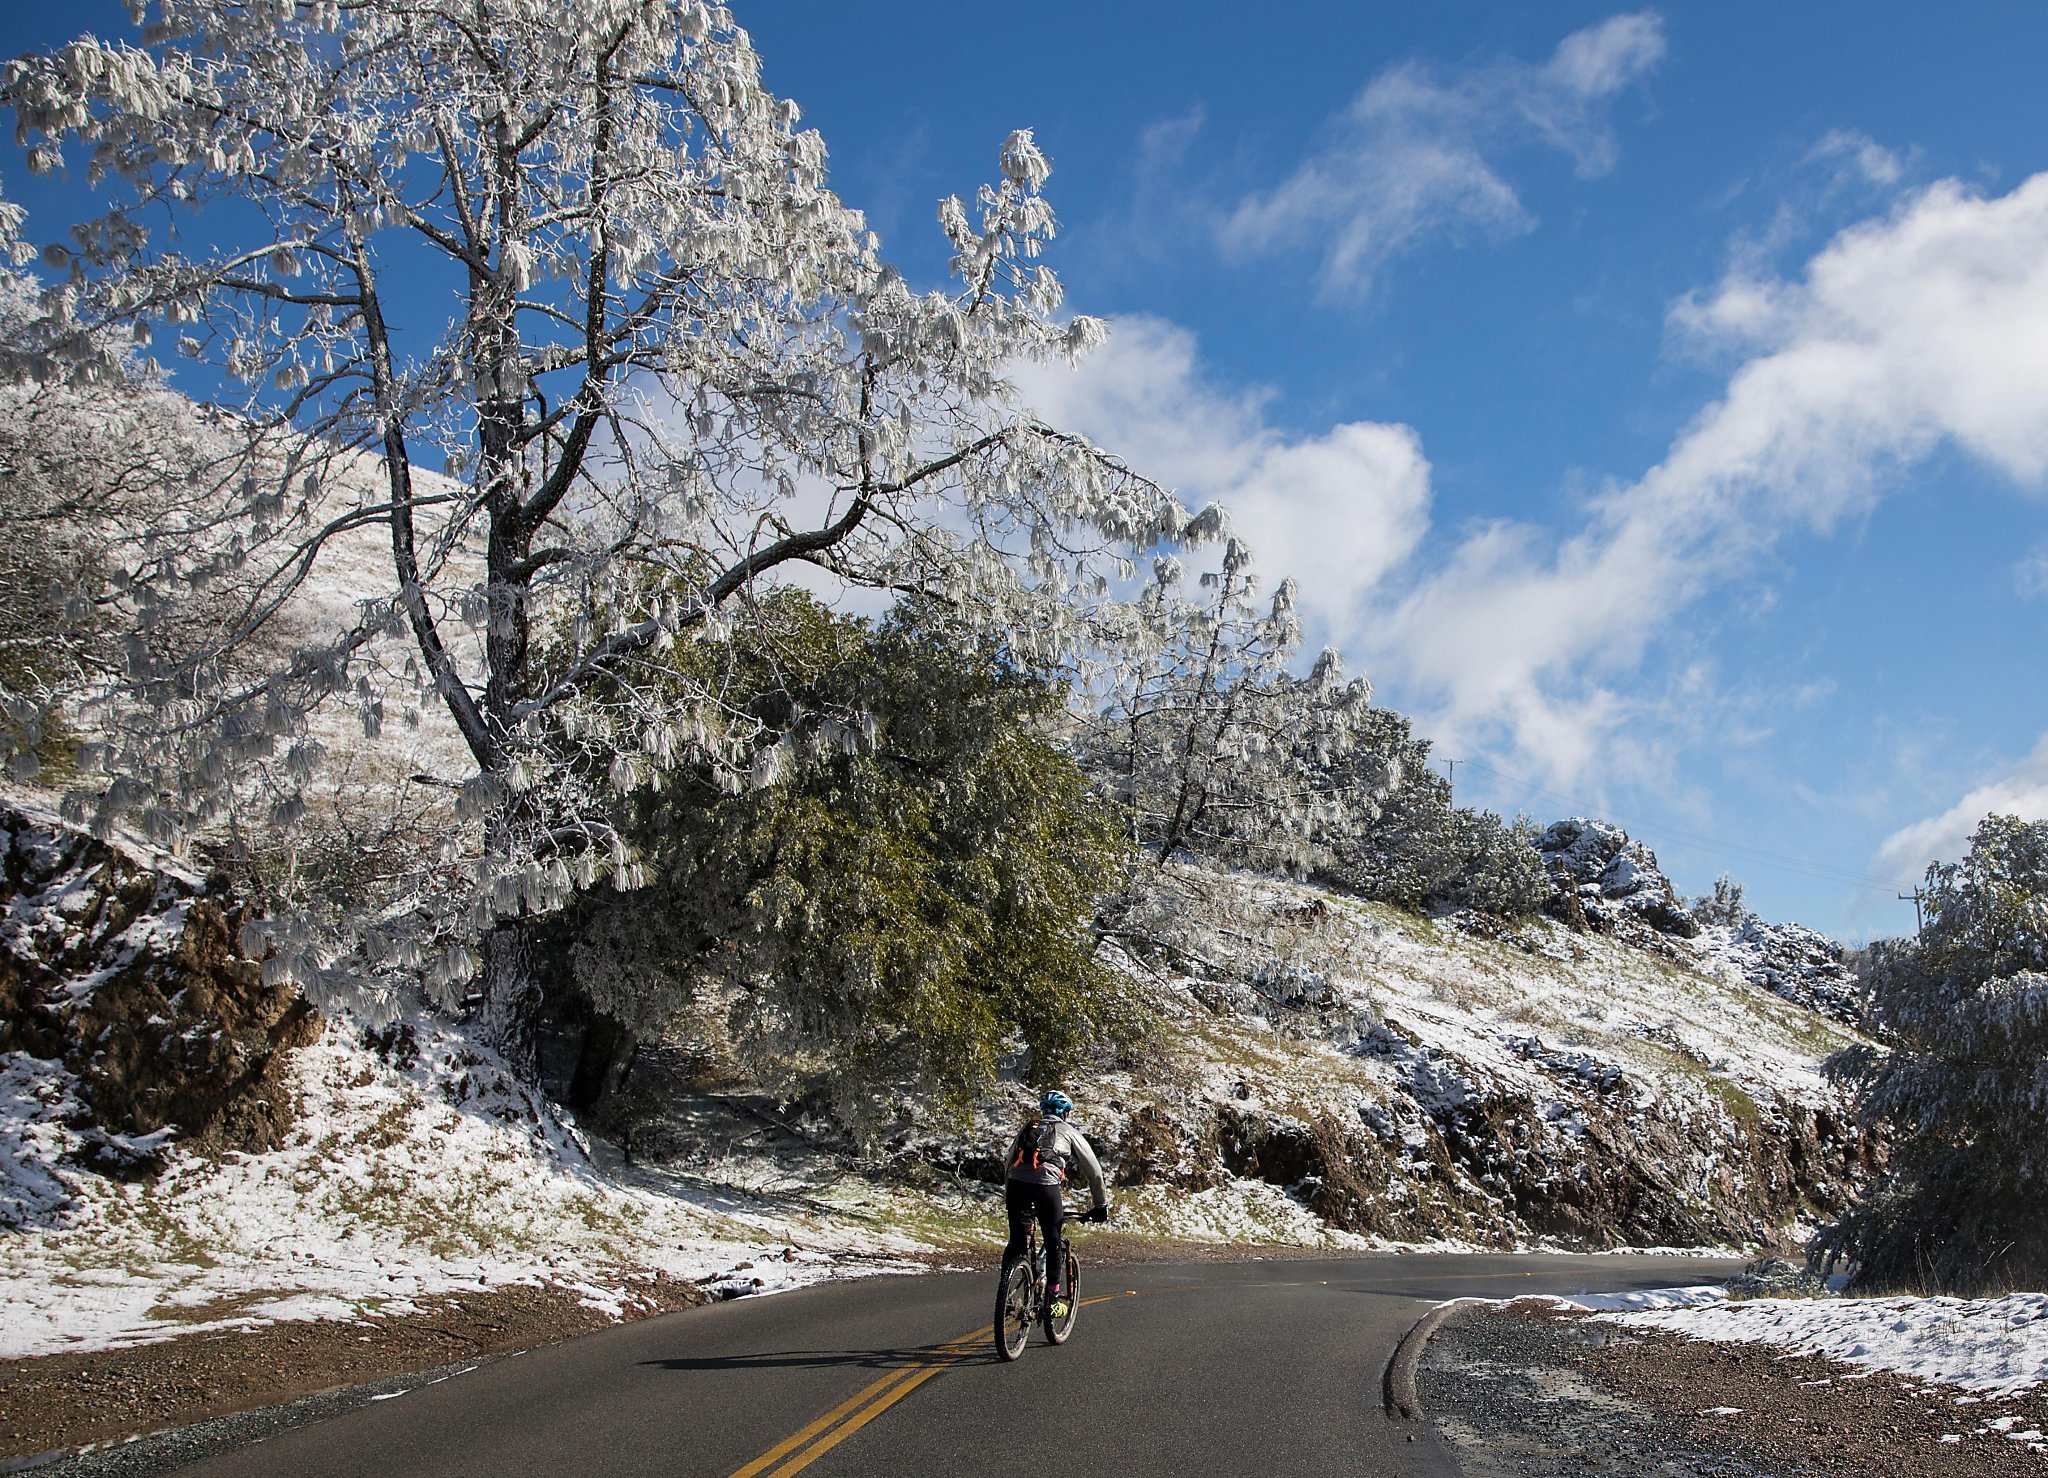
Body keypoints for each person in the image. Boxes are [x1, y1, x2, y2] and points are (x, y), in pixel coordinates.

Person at [1002, 1088, 1109, 1318]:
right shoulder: (1067, 1131)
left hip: (1016, 1185)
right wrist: (1101, 1206)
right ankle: (1052, 1300)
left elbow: (1009, 1159)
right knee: (1053, 1241)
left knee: (1017, 1242)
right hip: (1045, 1186)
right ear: (1066, 1113)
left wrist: (1008, 1193)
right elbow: (1095, 1172)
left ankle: (1004, 1292)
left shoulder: (1028, 1128)